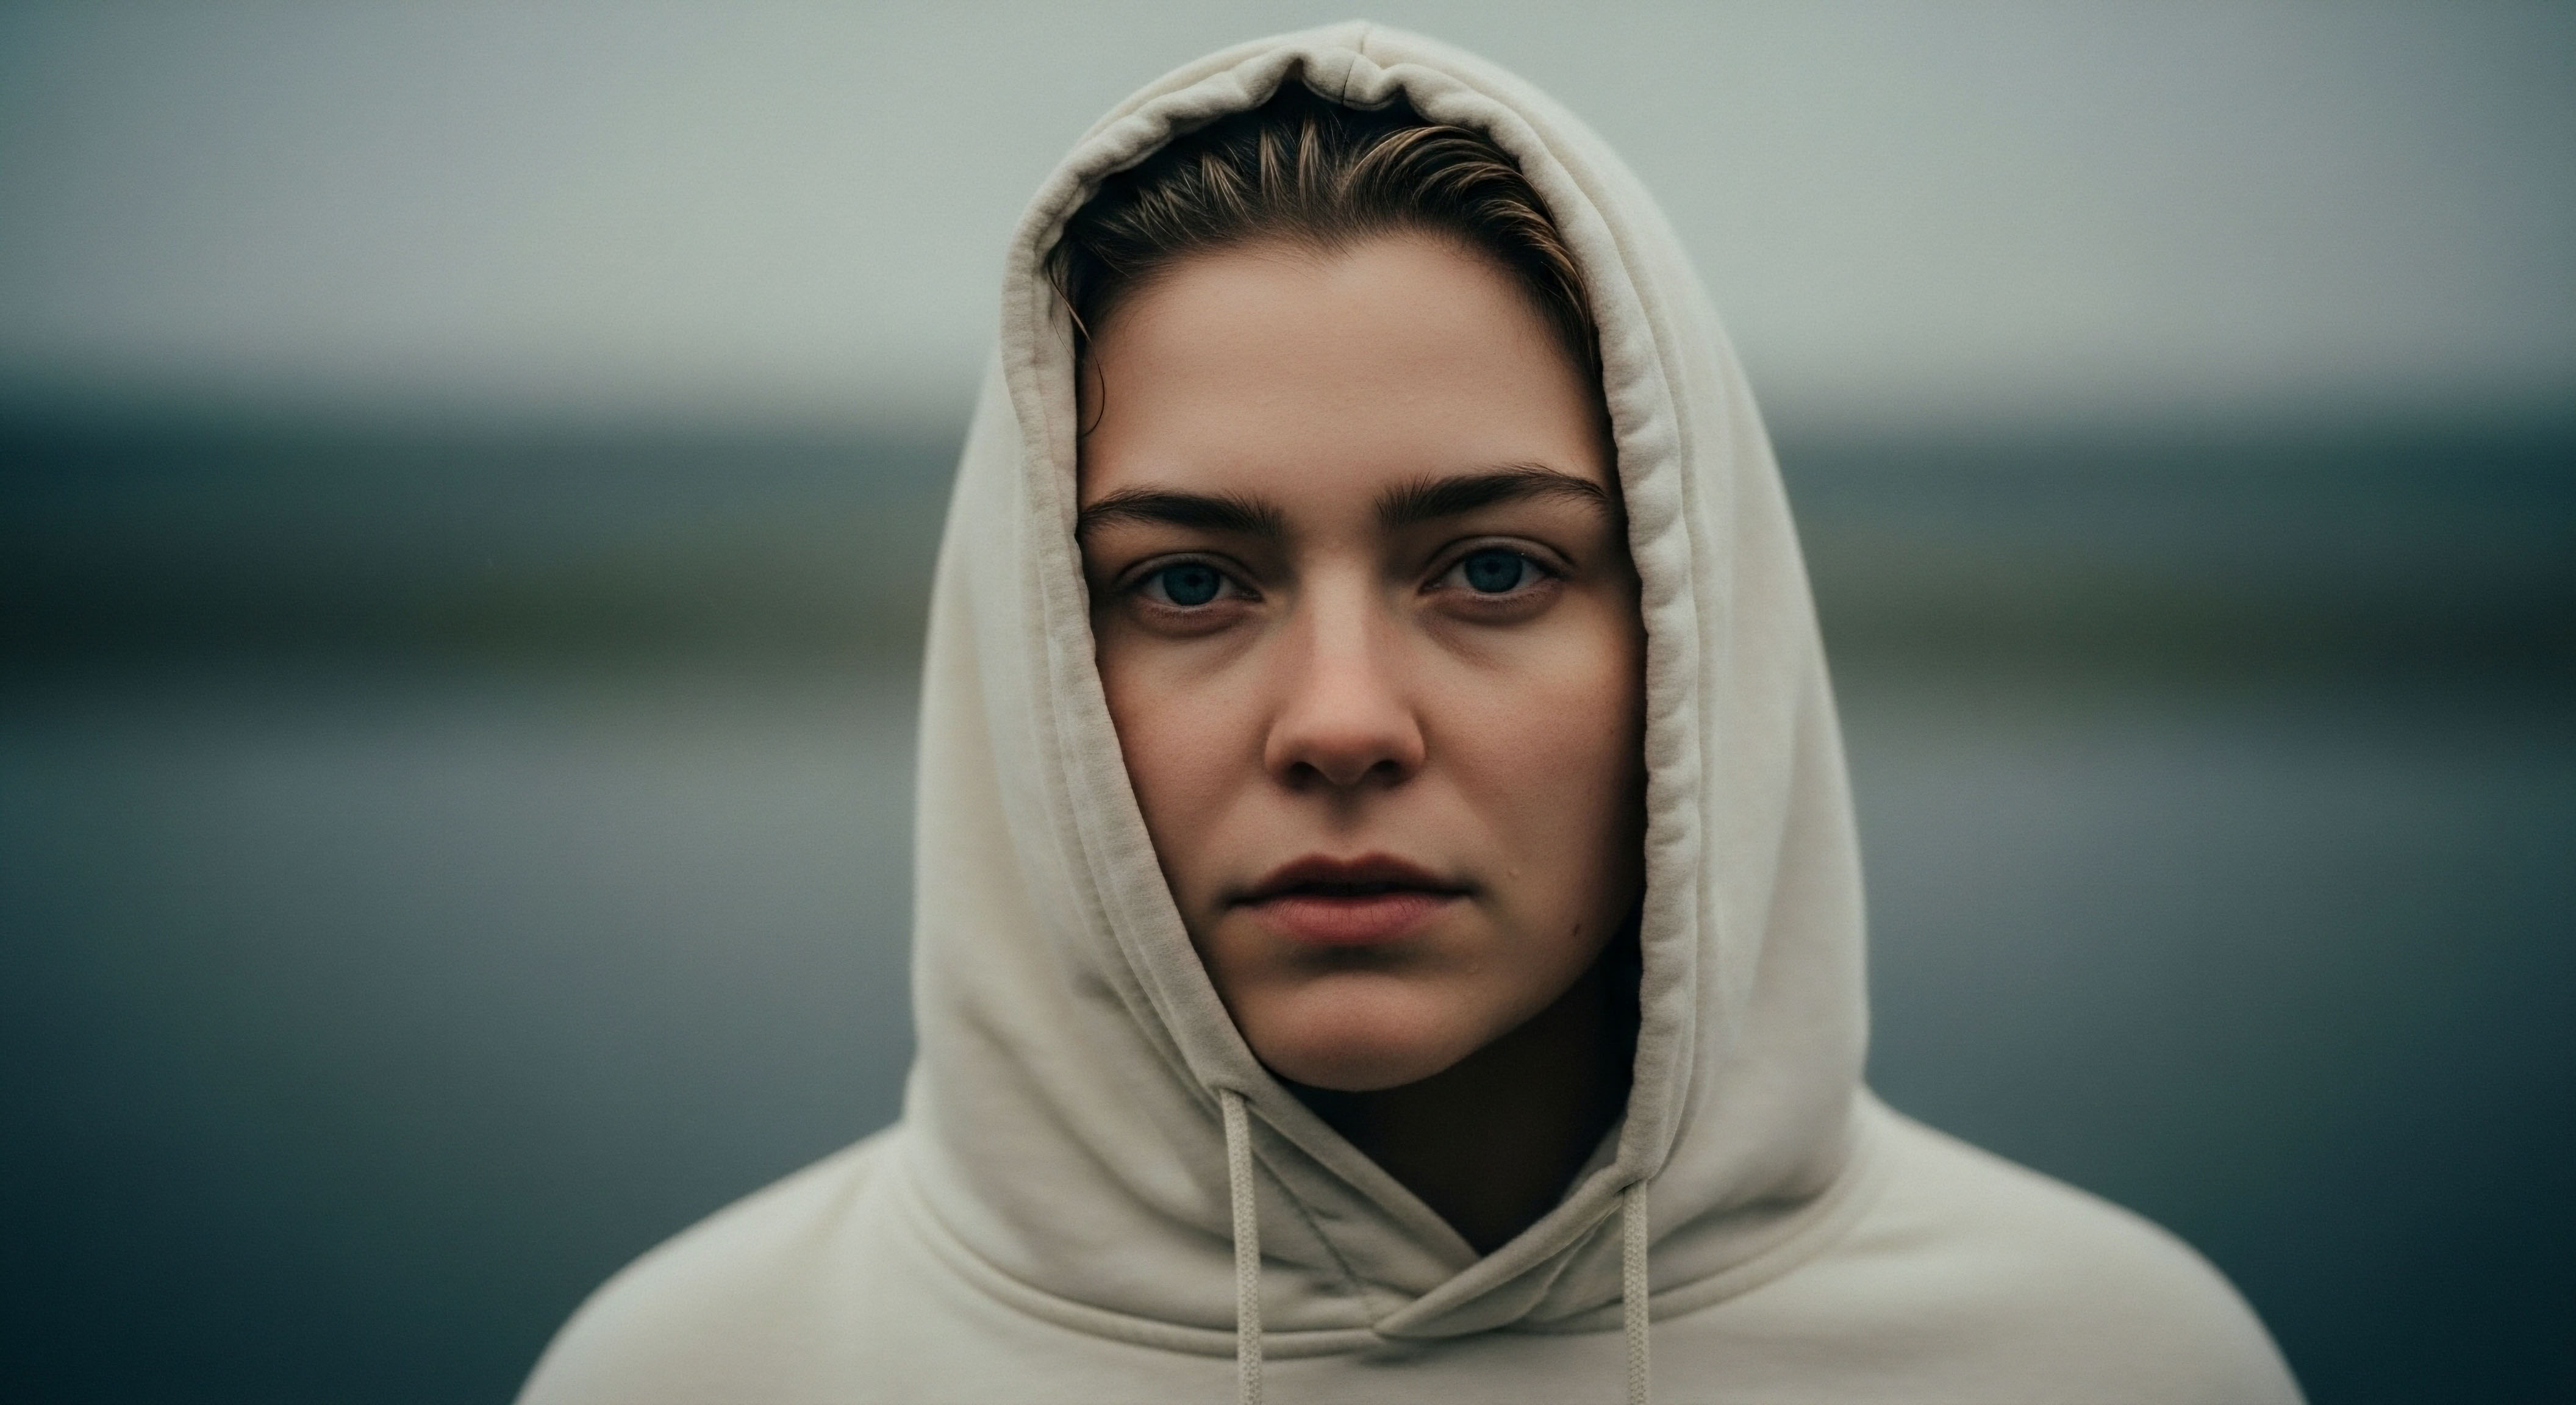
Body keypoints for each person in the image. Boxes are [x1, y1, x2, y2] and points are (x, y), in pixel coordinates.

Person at [517, 24, 2302, 1404]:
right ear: (1038, 654)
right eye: (1188, 584)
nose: (1342, 724)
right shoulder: (703, 1372)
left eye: (1495, 570)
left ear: (1690, 634)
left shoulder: (2110, 1361)